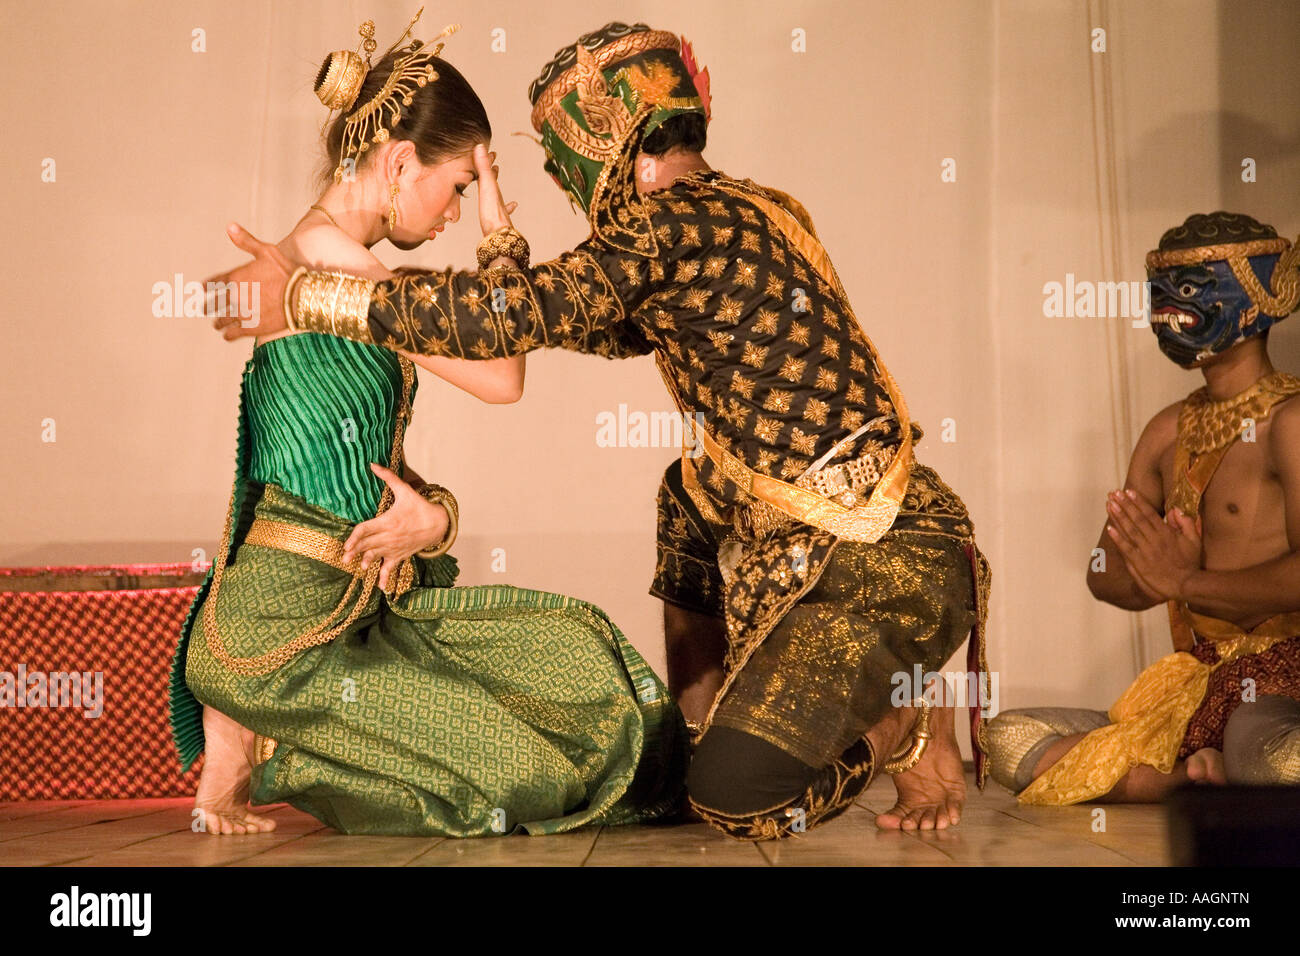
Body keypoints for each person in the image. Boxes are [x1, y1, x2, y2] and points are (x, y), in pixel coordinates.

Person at [209, 20, 992, 838]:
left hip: (873, 562)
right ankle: (712, 732)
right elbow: (541, 325)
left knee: (740, 801)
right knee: (684, 497)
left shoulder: (669, 227)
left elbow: (510, 322)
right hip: (826, 545)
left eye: (567, 169)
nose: (578, 193)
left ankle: (903, 726)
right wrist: (500, 249)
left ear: (613, 156)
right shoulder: (752, 209)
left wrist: (306, 296)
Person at [172, 13, 688, 837]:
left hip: (350, 606)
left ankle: (253, 743)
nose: (458, 211)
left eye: (472, 197)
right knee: (530, 774)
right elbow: (503, 376)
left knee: (580, 665)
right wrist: (500, 241)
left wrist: (436, 517)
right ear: (401, 161)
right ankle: (257, 739)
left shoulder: (341, 261)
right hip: (287, 631)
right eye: (458, 186)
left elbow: (374, 462)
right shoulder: (333, 260)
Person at [988, 211, 1300, 803]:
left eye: (1188, 289)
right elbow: (1103, 577)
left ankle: (1215, 773)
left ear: (1260, 296)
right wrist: (1152, 575)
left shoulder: (1291, 422)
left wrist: (1187, 578)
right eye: (1159, 292)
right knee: (1007, 739)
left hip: (1284, 682)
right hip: (1193, 683)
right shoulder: (1166, 431)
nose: (1166, 308)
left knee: (1279, 763)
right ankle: (1186, 780)